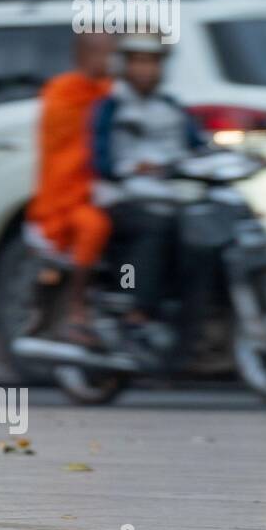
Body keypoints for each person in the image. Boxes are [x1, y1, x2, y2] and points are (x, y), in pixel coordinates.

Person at [91, 33, 206, 330]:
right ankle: (138, 309)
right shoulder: (110, 107)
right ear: (125, 66)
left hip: (175, 191)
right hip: (124, 196)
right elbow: (101, 160)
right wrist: (133, 167)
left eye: (153, 62)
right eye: (139, 62)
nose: (146, 70)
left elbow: (199, 147)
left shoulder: (171, 107)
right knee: (156, 226)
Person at [26, 32, 115, 339]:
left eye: (110, 54)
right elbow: (62, 146)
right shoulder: (62, 93)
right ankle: (78, 304)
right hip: (69, 197)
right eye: (99, 54)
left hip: (109, 190)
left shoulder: (112, 92)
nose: (105, 61)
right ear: (81, 58)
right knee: (93, 227)